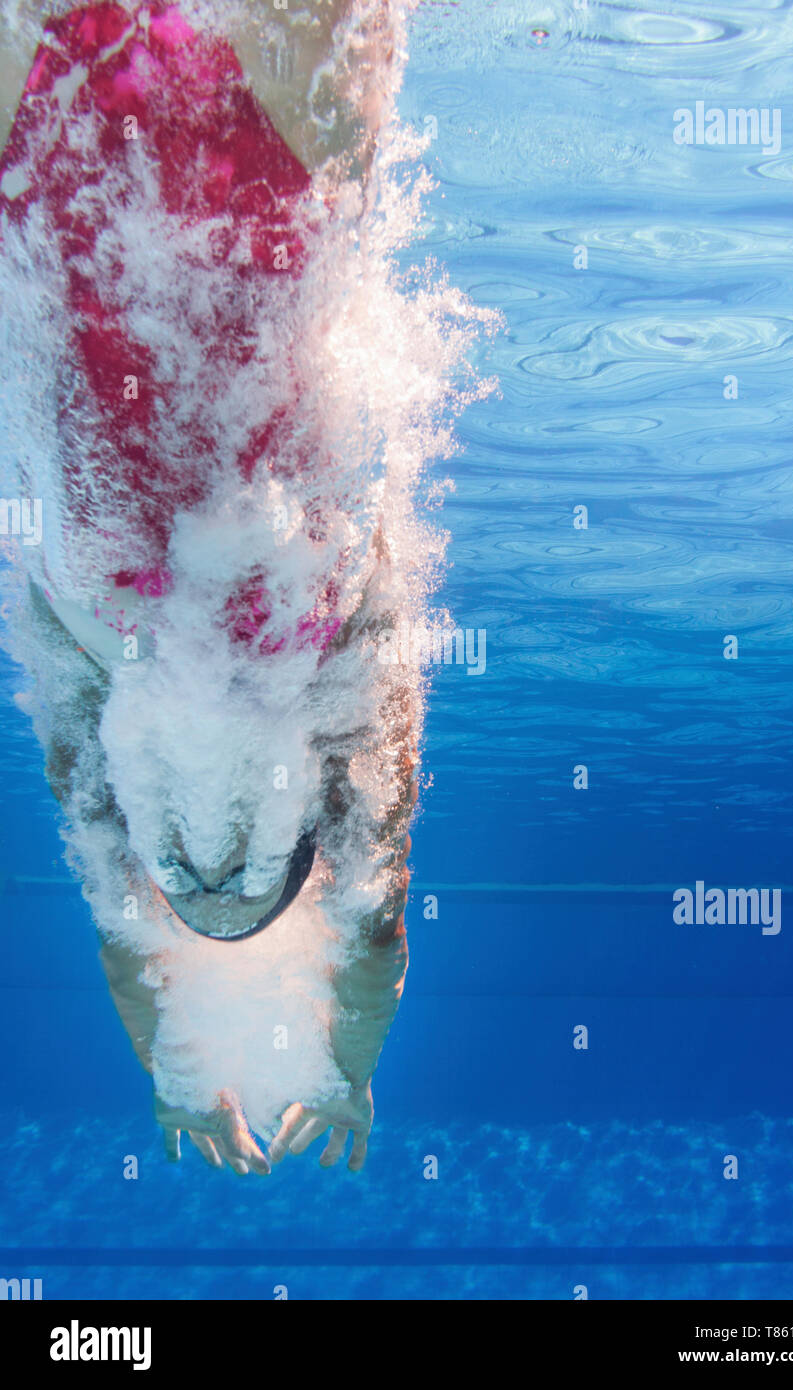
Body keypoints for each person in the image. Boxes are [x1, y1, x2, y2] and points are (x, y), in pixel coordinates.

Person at [0, 0, 415, 1174]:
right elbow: (121, 927)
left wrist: (345, 1068)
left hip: (268, 203)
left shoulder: (341, 669)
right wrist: (173, 1071)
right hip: (63, 211)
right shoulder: (88, 691)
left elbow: (374, 926)